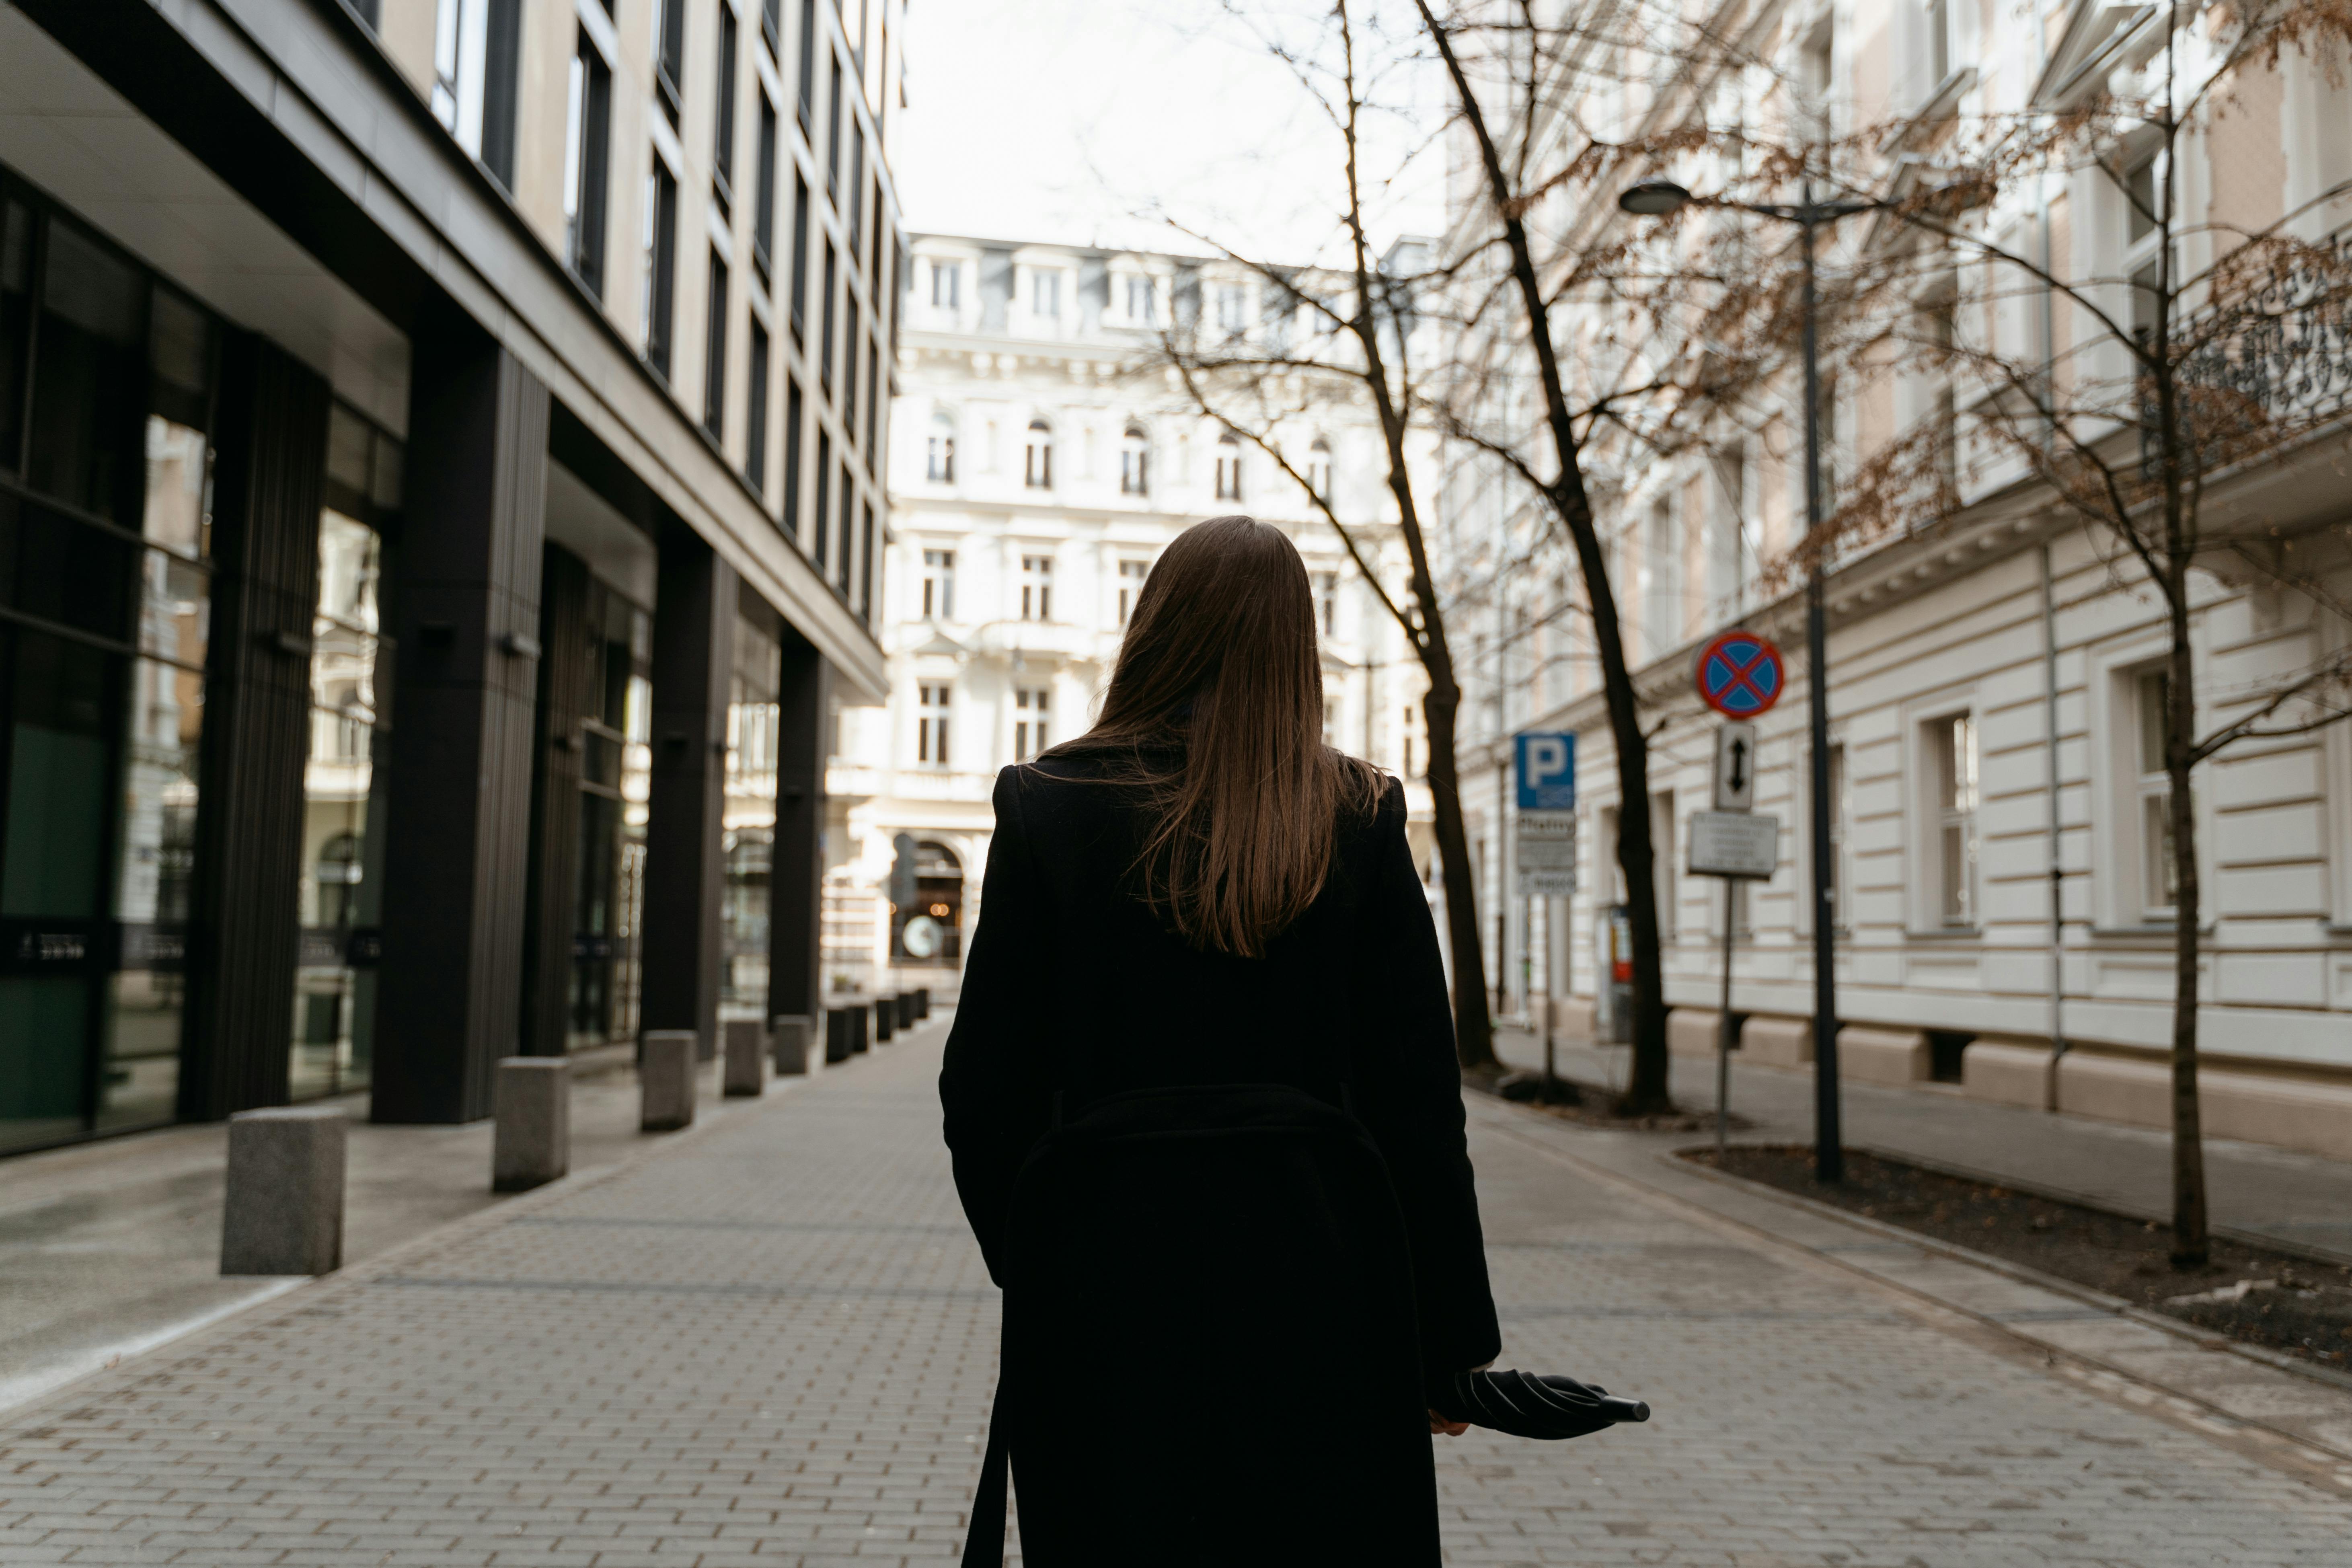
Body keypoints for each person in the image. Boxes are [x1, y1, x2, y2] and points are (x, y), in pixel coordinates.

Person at [940, 514, 1500, 1566]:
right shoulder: (1360, 812)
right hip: (1326, 1279)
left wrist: (1041, 1258)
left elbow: (981, 1090)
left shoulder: (1047, 803)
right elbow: (1420, 1101)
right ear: (1296, 650)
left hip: (1104, 1286)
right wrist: (1451, 1341)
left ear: (1154, 627)